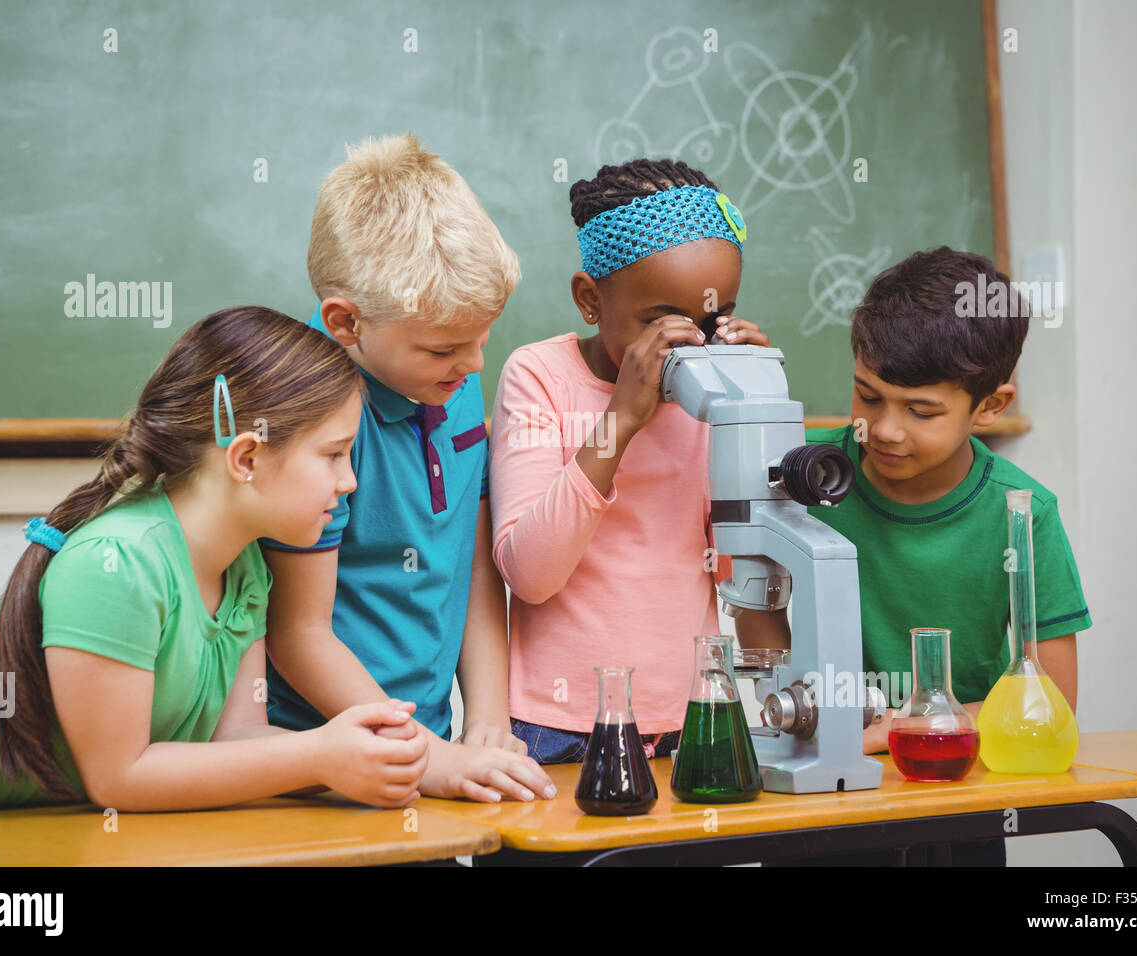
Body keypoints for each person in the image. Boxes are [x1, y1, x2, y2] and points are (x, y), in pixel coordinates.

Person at [0, 307, 430, 811]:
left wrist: (359, 757)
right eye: (334, 454)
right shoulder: (116, 565)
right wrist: (319, 756)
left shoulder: (245, 567)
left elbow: (236, 737)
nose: (350, 481)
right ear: (246, 458)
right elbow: (120, 778)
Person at [761, 247, 1091, 865]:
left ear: (991, 406)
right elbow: (759, 616)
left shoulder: (1021, 514)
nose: (884, 429)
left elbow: (1056, 701)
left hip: (953, 805)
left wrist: (902, 727)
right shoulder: (800, 474)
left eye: (921, 411)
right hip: (816, 802)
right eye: (868, 395)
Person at [260, 133, 555, 803]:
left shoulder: (450, 375)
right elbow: (297, 630)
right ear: (346, 322)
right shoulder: (309, 416)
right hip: (323, 773)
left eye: (486, 338)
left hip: (434, 752)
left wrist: (485, 721)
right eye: (448, 347)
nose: (478, 364)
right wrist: (425, 758)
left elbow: (473, 569)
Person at [489, 158, 771, 764]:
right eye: (662, 322)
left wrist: (758, 410)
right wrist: (622, 419)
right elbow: (530, 574)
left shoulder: (717, 395)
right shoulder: (539, 377)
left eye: (711, 320)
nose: (692, 343)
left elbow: (740, 564)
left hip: (691, 719)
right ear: (590, 299)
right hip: (558, 728)